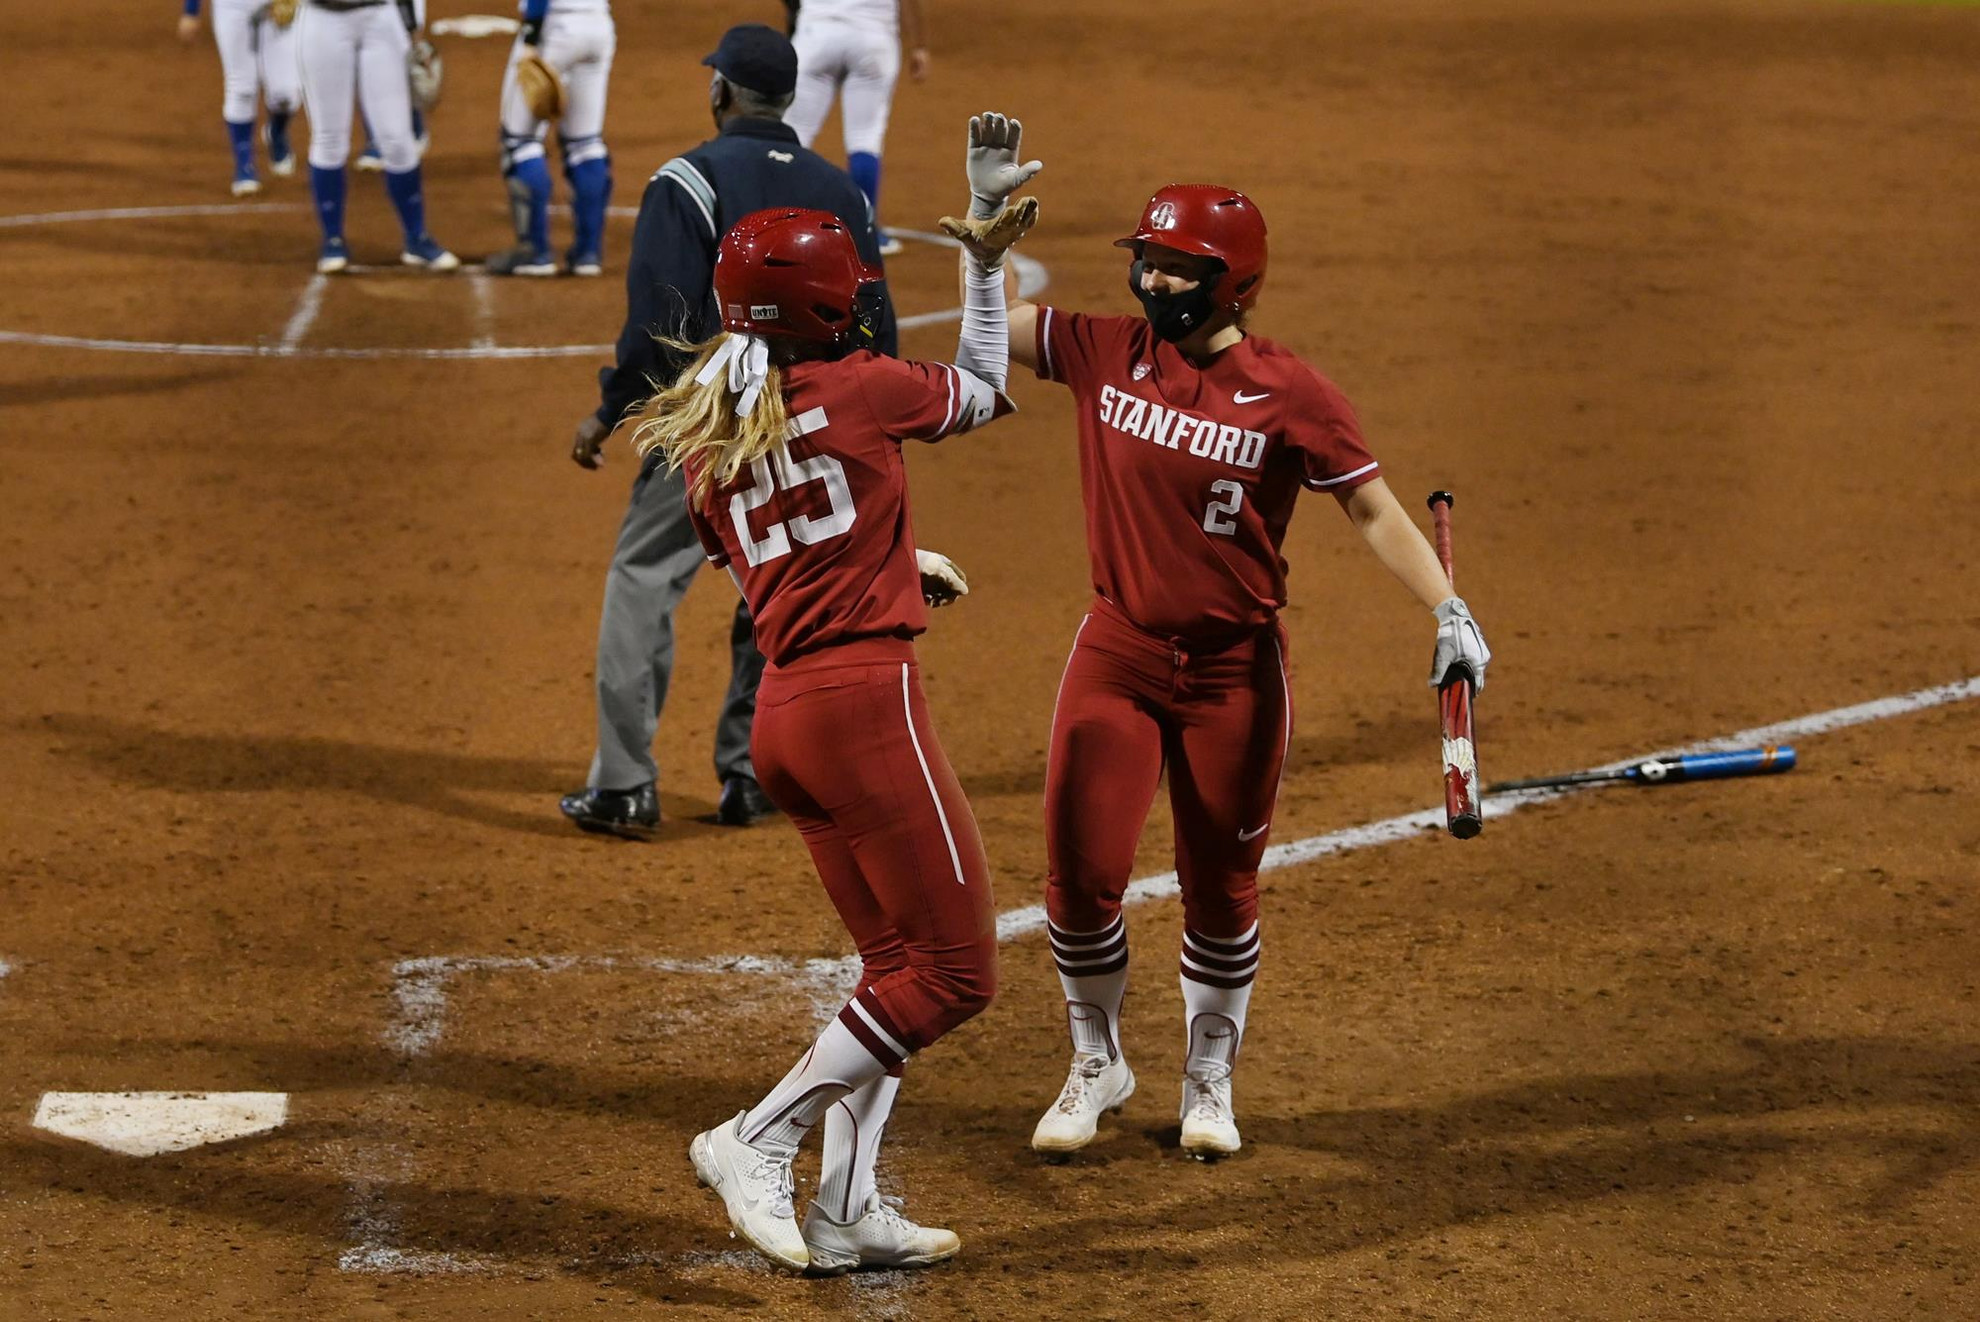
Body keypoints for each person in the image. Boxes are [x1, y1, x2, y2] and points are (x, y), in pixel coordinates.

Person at [983, 177, 1494, 1159]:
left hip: (1233, 672)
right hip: (1118, 653)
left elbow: (1375, 507)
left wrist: (1449, 605)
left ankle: (1208, 1079)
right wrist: (981, 252)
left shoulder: (1289, 391)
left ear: (1235, 281)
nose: (1154, 276)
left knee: (1222, 881)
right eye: (1149, 258)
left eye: (1179, 265)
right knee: (1080, 874)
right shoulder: (1105, 349)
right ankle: (1096, 1061)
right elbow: (991, 332)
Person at [645, 175, 1031, 1270]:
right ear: (832, 307)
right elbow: (986, 388)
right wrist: (986, 264)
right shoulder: (865, 387)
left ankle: (848, 1201)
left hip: (785, 716)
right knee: (956, 974)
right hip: (867, 706)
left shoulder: (707, 435)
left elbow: (767, 559)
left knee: (892, 966)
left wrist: (897, 564)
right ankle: (752, 1137)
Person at [559, 23, 898, 839]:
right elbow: (874, 326)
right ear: (787, 98)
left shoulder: (690, 179)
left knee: (644, 577)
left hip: (714, 421)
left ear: (722, 92)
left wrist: (611, 411)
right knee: (778, 586)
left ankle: (626, 785)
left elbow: (660, 325)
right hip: (816, 422)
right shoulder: (841, 191)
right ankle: (755, 775)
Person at [295, 0, 456, 274]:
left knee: (397, 138)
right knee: (329, 137)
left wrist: (411, 26)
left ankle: (416, 238)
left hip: (382, 18)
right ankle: (333, 239)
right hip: (323, 19)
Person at [780, 0, 929, 255]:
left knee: (792, 136)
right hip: (873, 40)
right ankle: (864, 233)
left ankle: (773, 223)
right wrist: (919, 46)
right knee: (865, 138)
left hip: (816, 36)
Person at [486, 0, 616, 277]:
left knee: (519, 141)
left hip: (554, 27)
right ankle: (587, 254)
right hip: (599, 26)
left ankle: (535, 252)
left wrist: (532, 35)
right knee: (585, 143)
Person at [177, 0, 303, 196]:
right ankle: (244, 165)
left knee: (286, 94)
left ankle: (276, 132)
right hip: (232, 7)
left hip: (277, 4)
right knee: (242, 87)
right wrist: (191, 10)